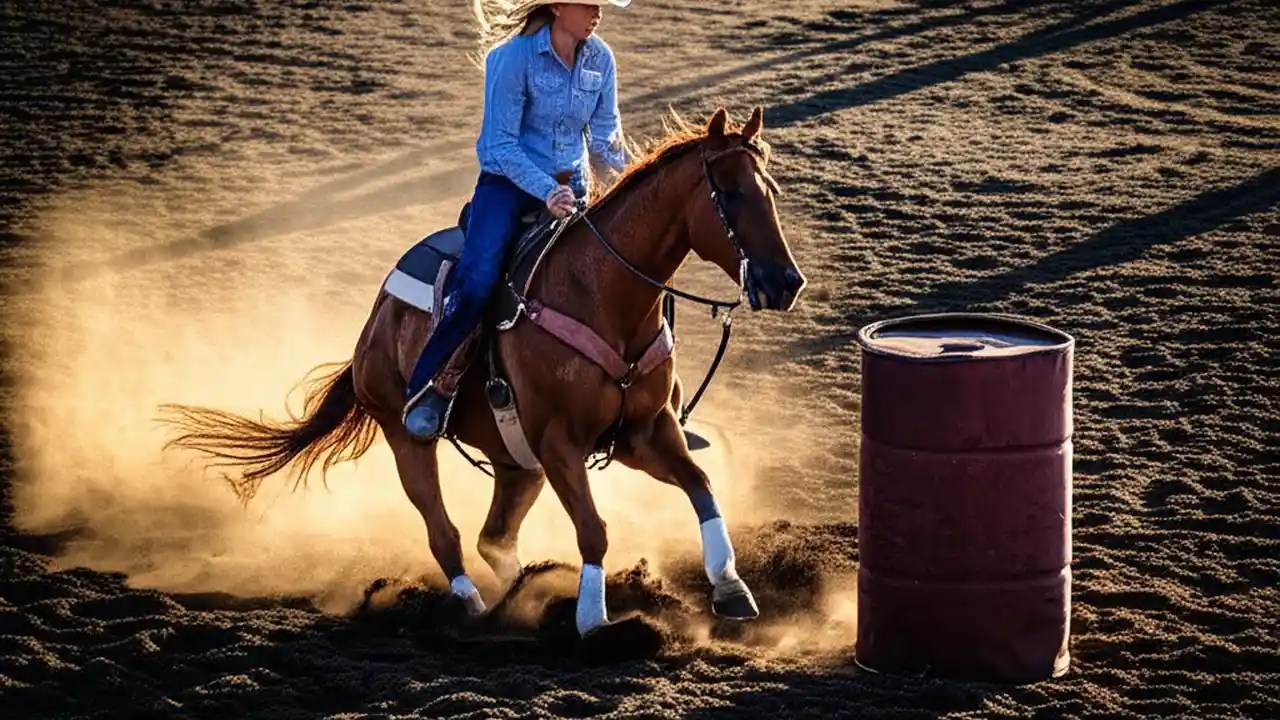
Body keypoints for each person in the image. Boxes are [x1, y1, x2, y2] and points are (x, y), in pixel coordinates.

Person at [403, 0, 632, 440]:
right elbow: (501, 146)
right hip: (508, 186)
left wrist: (633, 186)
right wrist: (547, 190)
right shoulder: (511, 59)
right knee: (477, 281)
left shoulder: (601, 58)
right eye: (589, 3)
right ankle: (433, 387)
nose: (599, 10)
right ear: (559, 6)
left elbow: (606, 141)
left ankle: (645, 402)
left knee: (633, 267)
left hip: (574, 188)